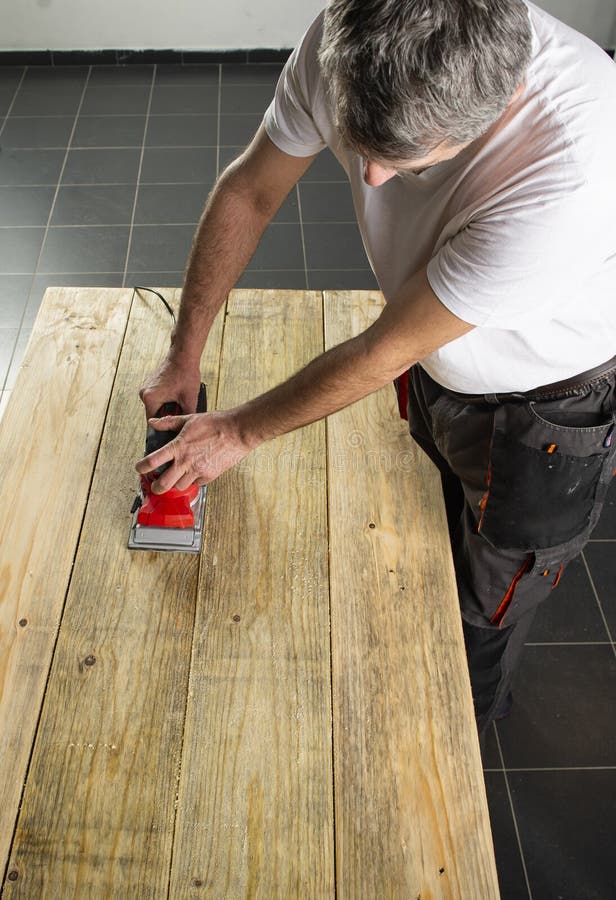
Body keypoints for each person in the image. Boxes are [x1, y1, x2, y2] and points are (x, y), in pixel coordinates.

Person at [137, 0, 616, 739]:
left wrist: (235, 432)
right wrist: (184, 354)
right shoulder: (354, 37)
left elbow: (381, 349)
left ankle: (460, 726)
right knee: (425, 526)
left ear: (494, 109)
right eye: (360, 150)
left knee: (485, 596)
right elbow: (251, 188)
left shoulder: (570, 168)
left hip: (548, 408)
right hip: (439, 361)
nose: (372, 178)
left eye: (405, 161)